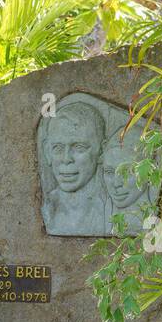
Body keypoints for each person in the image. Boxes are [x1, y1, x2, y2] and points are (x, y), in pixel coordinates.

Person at [40, 100, 107, 235]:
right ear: (47, 152)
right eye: (57, 148)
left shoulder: (114, 208)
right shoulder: (46, 210)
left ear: (102, 151)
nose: (66, 159)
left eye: (79, 147)